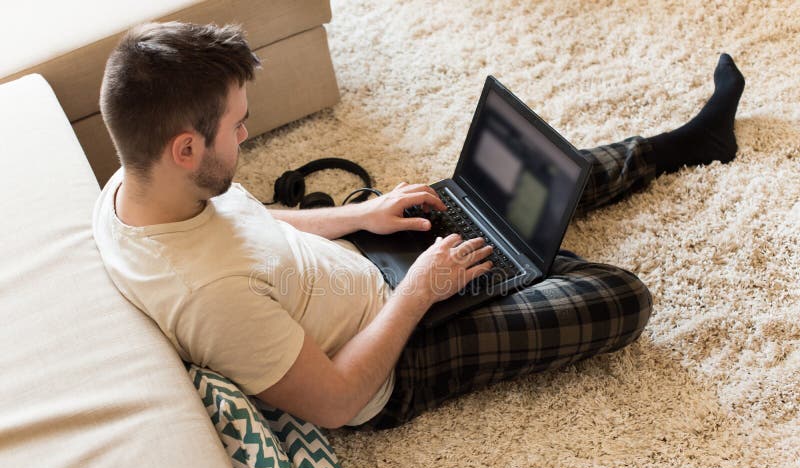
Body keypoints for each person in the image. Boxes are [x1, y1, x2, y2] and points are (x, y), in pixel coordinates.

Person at [93, 22, 745, 430]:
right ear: (185, 149)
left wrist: (362, 216)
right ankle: (527, 262)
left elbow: (251, 219)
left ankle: (683, 145)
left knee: (512, 186)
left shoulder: (136, 184)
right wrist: (421, 290)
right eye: (236, 127)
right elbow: (338, 402)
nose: (246, 134)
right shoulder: (213, 299)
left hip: (366, 262)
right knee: (620, 295)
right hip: (391, 362)